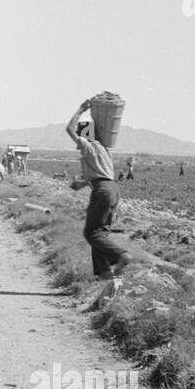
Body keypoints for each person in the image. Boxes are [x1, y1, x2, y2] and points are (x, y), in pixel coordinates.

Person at [66, 100, 129, 297]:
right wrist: (82, 184)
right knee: (100, 233)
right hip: (112, 189)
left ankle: (120, 256)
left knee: (92, 234)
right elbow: (100, 174)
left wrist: (80, 109)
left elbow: (68, 129)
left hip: (102, 191)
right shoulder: (104, 149)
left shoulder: (88, 145)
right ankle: (104, 274)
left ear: (85, 134)